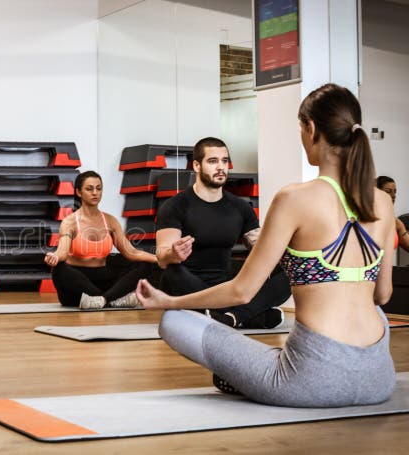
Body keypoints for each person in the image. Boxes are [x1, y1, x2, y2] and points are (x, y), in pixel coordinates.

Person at [136, 83, 396, 407]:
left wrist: (167, 302)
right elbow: (383, 295)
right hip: (378, 378)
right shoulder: (383, 202)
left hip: (313, 381)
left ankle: (250, 369)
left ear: (310, 128)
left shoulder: (294, 198)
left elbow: (241, 291)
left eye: (301, 129)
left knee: (174, 321)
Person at [154, 137, 291, 329]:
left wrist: (287, 252)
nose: (221, 167)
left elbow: (261, 248)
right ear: (197, 165)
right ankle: (246, 314)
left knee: (289, 271)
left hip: (227, 287)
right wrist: (173, 254)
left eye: (224, 161)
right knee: (170, 274)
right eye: (213, 161)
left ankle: (228, 317)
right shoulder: (175, 206)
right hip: (190, 286)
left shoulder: (241, 207)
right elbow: (162, 257)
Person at [44, 170, 158, 309]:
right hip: (77, 287)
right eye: (89, 189)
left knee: (144, 264)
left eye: (99, 188)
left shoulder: (110, 221)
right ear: (79, 192)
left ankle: (103, 300)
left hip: (103, 279)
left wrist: (159, 258)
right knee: (59, 268)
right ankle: (112, 300)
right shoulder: (70, 222)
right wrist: (55, 256)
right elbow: (62, 251)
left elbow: (131, 252)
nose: (95, 193)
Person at [376, 176, 409, 252]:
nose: (393, 196)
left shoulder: (396, 223)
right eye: (388, 191)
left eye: (395, 192)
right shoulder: (365, 219)